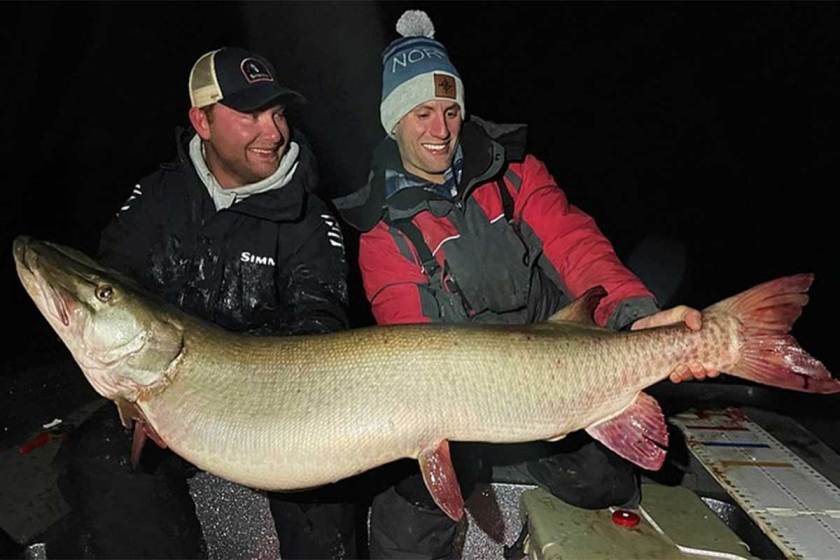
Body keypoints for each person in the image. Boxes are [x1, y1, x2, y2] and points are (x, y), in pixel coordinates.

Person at [334, 11, 719, 559]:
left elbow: (577, 247)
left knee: (604, 485)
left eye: (450, 110)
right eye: (422, 113)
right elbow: (413, 343)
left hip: (563, 369)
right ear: (393, 121)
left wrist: (634, 318)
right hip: (462, 401)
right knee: (408, 523)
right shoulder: (380, 231)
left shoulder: (515, 173)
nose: (440, 130)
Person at [57, 47, 356, 559]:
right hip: (163, 398)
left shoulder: (309, 219)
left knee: (327, 498)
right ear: (203, 120)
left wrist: (233, 395)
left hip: (271, 413)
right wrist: (155, 398)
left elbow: (320, 327)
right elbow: (116, 286)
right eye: (250, 114)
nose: (273, 132)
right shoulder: (157, 198)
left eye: (278, 113)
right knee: (96, 459)